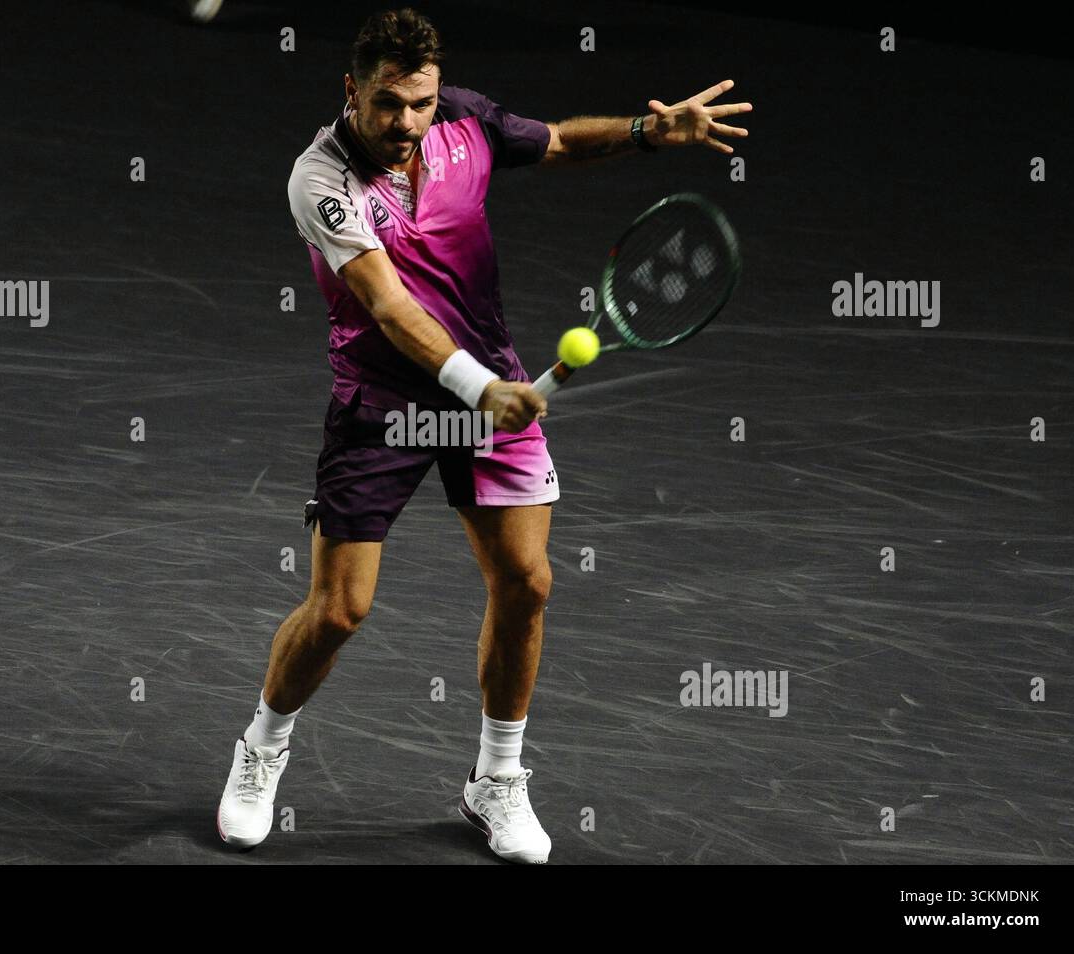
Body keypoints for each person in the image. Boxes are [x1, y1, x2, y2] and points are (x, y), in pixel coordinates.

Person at [217, 7, 751, 864]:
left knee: (527, 583)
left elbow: (561, 144)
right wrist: (478, 386)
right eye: (387, 103)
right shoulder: (318, 179)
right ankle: (261, 751)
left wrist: (652, 130)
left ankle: (495, 780)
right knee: (342, 608)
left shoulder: (463, 118)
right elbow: (389, 306)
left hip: (490, 384)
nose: (406, 122)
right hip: (385, 403)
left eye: (420, 102)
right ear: (349, 91)